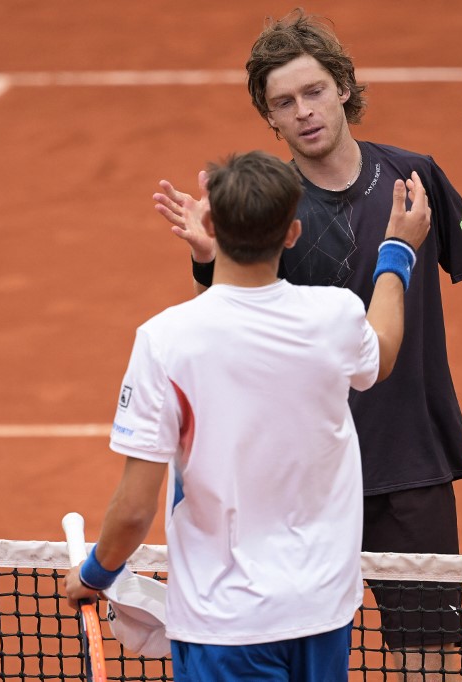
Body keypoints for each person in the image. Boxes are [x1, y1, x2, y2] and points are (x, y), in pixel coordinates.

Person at [154, 10, 462, 678]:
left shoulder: (413, 179)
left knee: (427, 665)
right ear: (269, 119)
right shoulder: (270, 204)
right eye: (284, 103)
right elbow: (231, 329)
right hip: (300, 491)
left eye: (315, 92)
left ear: (346, 87)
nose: (304, 113)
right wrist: (211, 261)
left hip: (410, 470)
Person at [67, 150, 432, 682]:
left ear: (210, 226)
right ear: (292, 234)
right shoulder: (335, 317)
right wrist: (397, 251)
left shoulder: (165, 339)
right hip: (322, 611)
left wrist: (96, 574)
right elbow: (384, 348)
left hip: (225, 623)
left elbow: (133, 511)